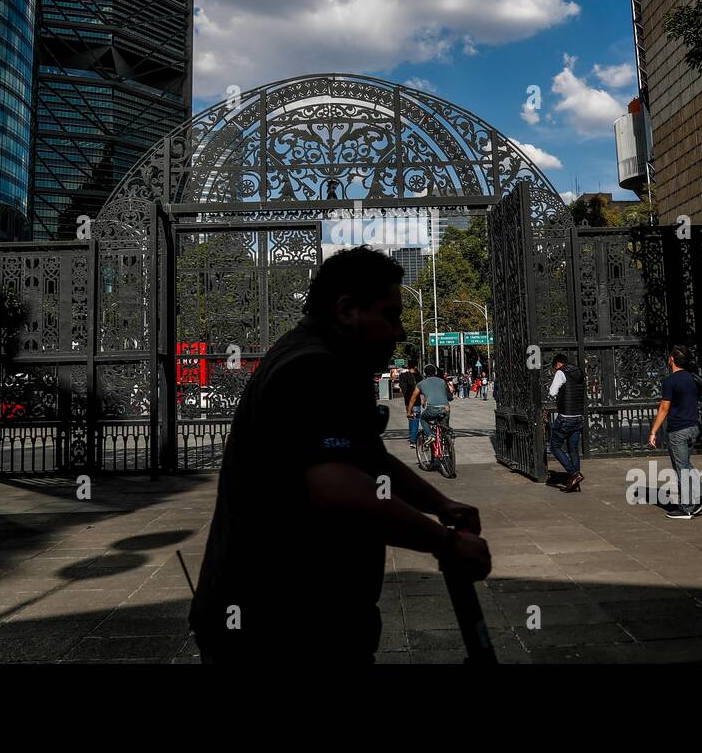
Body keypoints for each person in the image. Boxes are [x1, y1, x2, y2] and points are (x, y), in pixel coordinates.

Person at [189, 247, 490, 663]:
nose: (400, 332)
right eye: (390, 315)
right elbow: (337, 487)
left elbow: (368, 461)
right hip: (281, 630)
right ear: (348, 310)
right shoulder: (312, 368)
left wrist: (441, 503)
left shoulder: (322, 360)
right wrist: (442, 542)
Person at [648, 346, 702, 518]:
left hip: (678, 429)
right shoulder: (692, 378)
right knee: (687, 464)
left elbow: (664, 408)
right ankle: (699, 495)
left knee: (681, 469)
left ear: (672, 360)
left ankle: (687, 507)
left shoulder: (671, 381)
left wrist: (653, 431)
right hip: (693, 427)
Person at [547, 353, 586, 492]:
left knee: (555, 446)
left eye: (555, 367)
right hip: (579, 416)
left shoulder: (560, 373)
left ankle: (574, 474)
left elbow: (552, 392)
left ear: (558, 364)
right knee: (573, 449)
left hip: (566, 417)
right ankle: (575, 482)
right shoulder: (578, 371)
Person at [409, 364, 452, 465]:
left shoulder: (421, 384)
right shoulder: (442, 381)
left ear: (424, 373)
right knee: (444, 429)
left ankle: (430, 435)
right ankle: (447, 446)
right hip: (446, 408)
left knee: (423, 418)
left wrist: (409, 412)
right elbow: (443, 393)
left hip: (433, 409)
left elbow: (413, 399)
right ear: (435, 372)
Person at [399, 361, 420, 446]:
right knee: (415, 420)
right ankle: (413, 440)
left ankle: (412, 436)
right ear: (415, 366)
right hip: (416, 400)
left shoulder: (402, 376)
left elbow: (402, 389)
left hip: (407, 401)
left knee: (410, 418)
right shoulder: (418, 376)